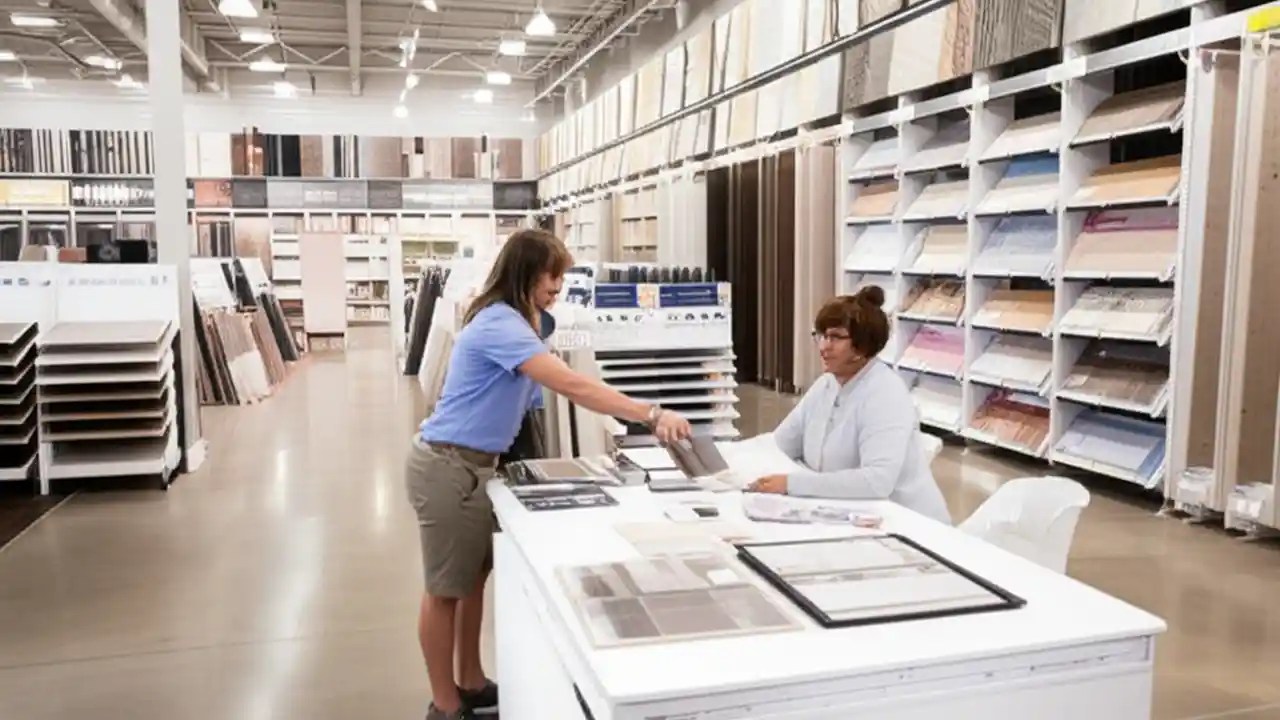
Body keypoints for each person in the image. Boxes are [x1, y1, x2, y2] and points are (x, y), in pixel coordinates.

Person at [405, 229, 693, 720]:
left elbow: (529, 407)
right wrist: (649, 412)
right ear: (525, 273)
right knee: (444, 589)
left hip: (475, 467)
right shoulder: (500, 323)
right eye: (551, 276)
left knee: (473, 579)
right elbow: (570, 384)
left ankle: (471, 680)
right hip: (447, 466)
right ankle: (445, 704)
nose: (559, 286)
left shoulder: (524, 321)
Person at [747, 287, 951, 525]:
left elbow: (877, 481)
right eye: (821, 335)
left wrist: (792, 484)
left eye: (835, 337)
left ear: (863, 345)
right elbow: (780, 444)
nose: (824, 346)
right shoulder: (826, 385)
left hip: (909, 524)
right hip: (849, 514)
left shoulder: (885, 394)